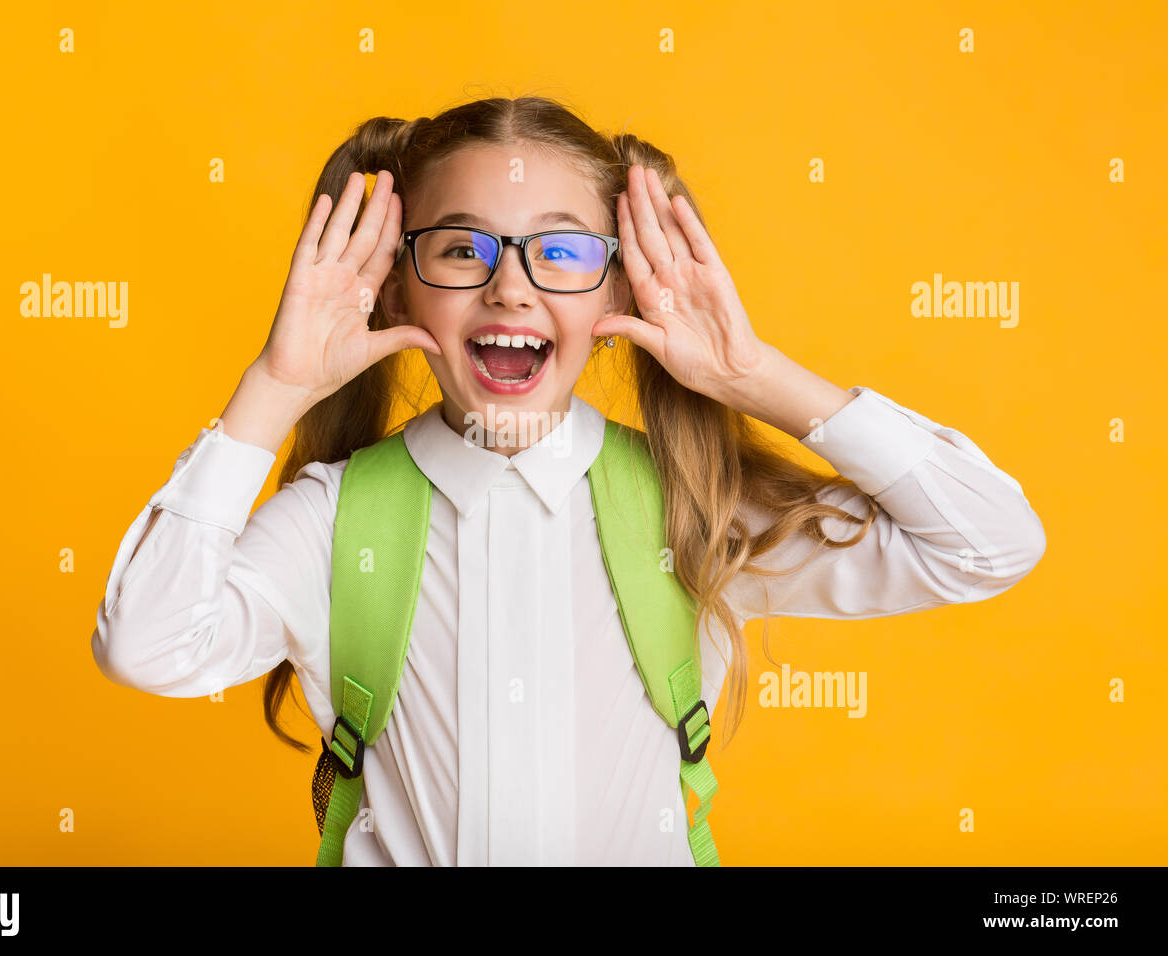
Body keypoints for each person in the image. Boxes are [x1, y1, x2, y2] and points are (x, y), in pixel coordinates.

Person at [91, 95, 1046, 866]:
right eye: (462, 248)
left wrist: (756, 377)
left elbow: (988, 545)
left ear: (623, 291)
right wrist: (273, 391)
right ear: (393, 284)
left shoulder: (693, 508)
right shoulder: (334, 522)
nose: (513, 287)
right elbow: (149, 647)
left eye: (562, 251)